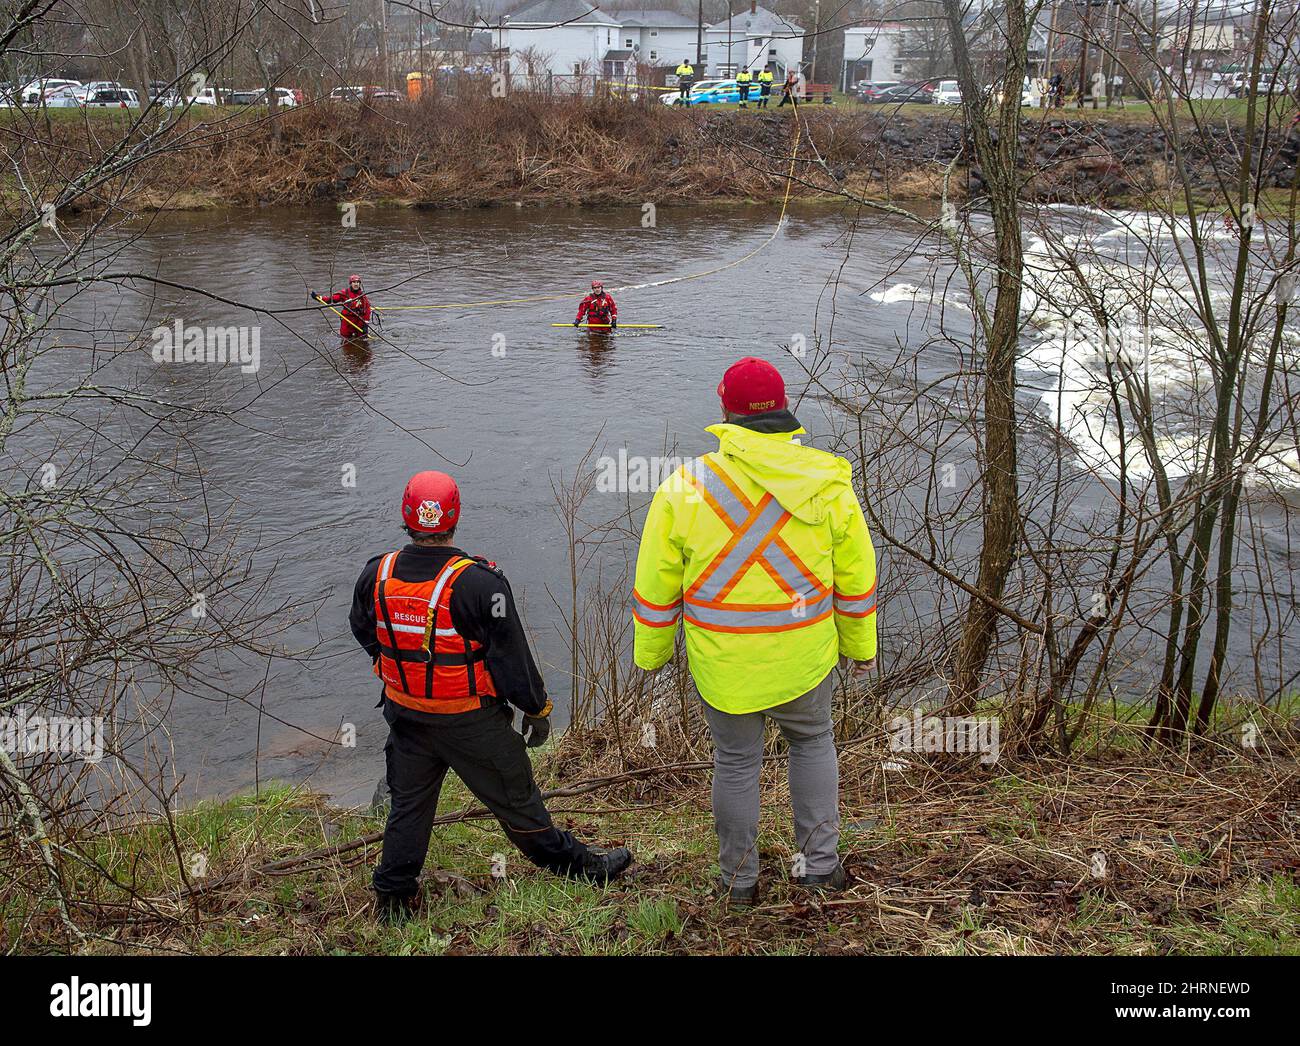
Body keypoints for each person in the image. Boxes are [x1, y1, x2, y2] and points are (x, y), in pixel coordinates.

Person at [632, 358, 877, 905]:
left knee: (736, 762)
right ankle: (819, 869)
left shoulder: (684, 487)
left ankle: (738, 882)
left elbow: (655, 583)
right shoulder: (827, 480)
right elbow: (857, 576)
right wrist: (861, 647)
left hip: (725, 665)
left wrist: (651, 655)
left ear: (725, 412)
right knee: (812, 744)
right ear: (786, 410)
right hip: (805, 656)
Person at [351, 470, 633, 923]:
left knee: (408, 807)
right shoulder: (481, 584)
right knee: (517, 802)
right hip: (471, 723)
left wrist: (396, 673)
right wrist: (537, 711)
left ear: (407, 516)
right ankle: (583, 868)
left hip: (405, 716)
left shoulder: (374, 575)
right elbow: (512, 660)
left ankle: (393, 900)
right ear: (454, 517)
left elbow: (365, 632)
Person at [312, 273, 371, 338]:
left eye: (357, 282)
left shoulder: (362, 296)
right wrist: (319, 298)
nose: (356, 284)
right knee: (345, 339)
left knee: (363, 339)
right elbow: (330, 299)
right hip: (347, 320)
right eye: (354, 282)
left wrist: (366, 324)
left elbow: (367, 309)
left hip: (359, 320)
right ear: (350, 283)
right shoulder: (345, 293)